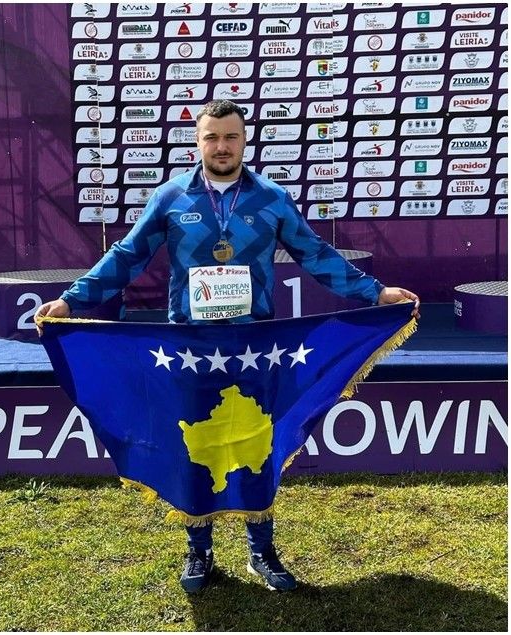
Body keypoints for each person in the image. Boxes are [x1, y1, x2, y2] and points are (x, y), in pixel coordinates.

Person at [35, 100, 420, 594]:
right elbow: (127, 255)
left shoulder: (271, 199)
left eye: (230, 137)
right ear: (198, 141)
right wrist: (71, 300)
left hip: (254, 346)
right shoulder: (172, 197)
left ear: (244, 139)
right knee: (195, 445)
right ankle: (200, 554)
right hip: (188, 348)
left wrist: (376, 293)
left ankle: (263, 551)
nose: (221, 146)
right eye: (211, 137)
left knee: (254, 445)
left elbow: (316, 254)